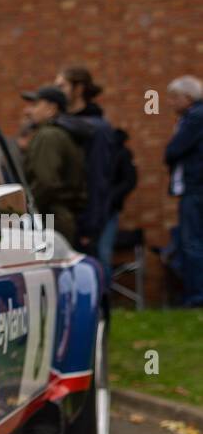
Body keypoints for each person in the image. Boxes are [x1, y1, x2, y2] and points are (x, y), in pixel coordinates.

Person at [53, 65, 116, 251]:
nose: (58, 92)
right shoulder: (56, 124)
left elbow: (99, 177)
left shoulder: (98, 129)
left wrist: (90, 225)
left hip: (84, 220)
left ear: (78, 88)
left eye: (62, 86)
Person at [20, 85, 86, 247]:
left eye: (35, 105)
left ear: (51, 109)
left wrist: (23, 214)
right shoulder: (58, 134)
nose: (28, 111)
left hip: (51, 219)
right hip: (58, 217)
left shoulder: (48, 136)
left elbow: (46, 183)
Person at [165, 76, 203, 307]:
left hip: (195, 189)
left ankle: (196, 297)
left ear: (187, 98)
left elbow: (172, 150)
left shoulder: (195, 118)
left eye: (173, 98)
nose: (169, 103)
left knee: (192, 243)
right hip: (194, 188)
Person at [97, 129, 138, 277]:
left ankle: (104, 296)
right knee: (96, 253)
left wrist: (111, 198)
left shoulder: (121, 153)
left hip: (108, 210)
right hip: (92, 211)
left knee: (103, 252)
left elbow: (129, 181)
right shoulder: (97, 152)